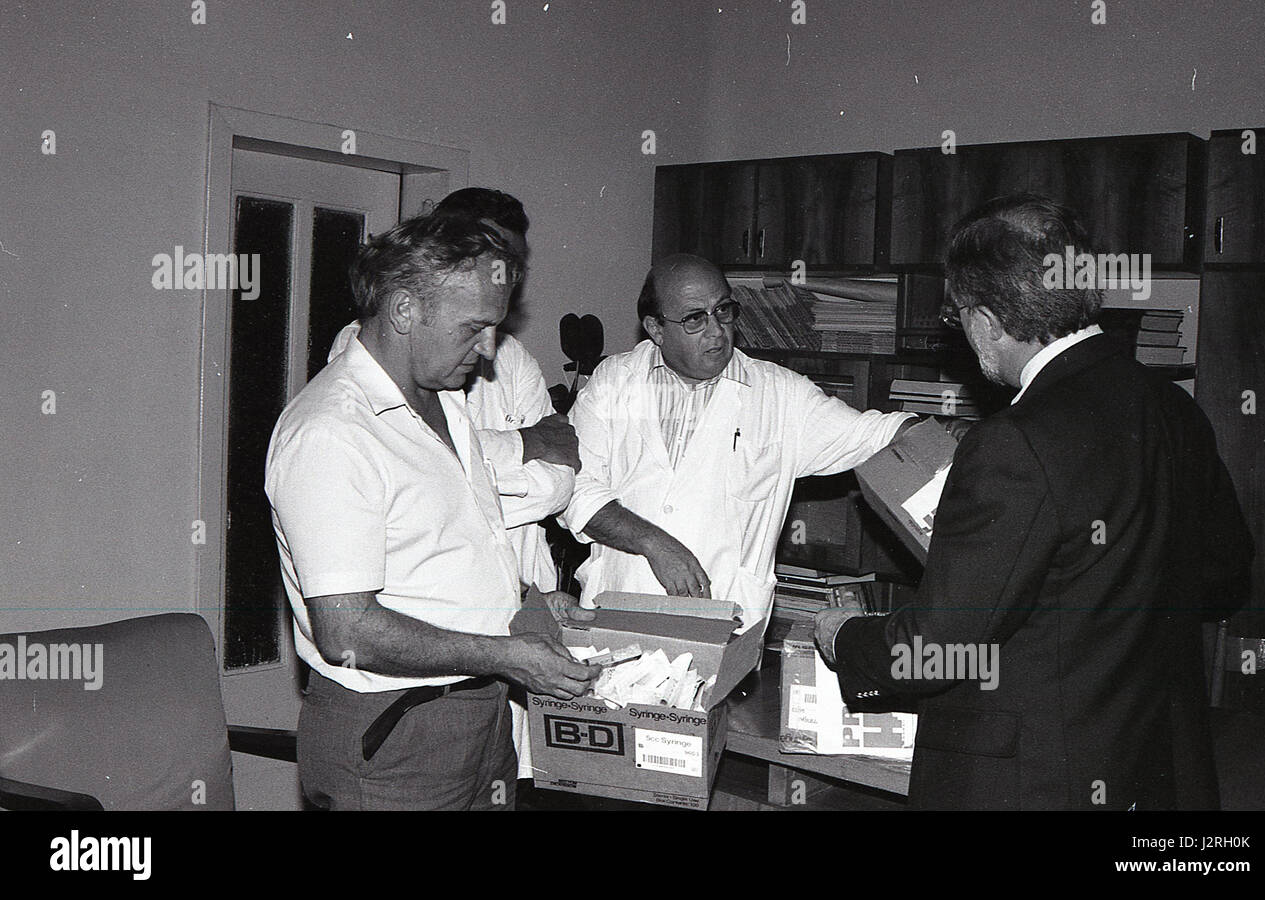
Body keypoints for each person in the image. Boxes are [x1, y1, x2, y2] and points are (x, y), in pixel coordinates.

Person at [815, 194, 1253, 810]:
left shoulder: (1012, 443)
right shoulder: (1175, 409)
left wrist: (843, 636)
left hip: (1035, 777)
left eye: (959, 318)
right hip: (1153, 764)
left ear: (987, 322)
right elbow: (1225, 575)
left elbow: (938, 648)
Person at [265, 212, 597, 810]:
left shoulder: (445, 402)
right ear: (403, 311)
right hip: (396, 732)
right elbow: (347, 631)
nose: (489, 348)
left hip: (481, 716)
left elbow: (440, 554)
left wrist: (526, 600)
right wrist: (506, 654)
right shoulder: (332, 433)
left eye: (494, 327)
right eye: (474, 327)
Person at [327, 188, 568, 783]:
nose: (501, 276)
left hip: (488, 677)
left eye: (510, 264)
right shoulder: (349, 398)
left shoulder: (464, 392)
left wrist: (522, 596)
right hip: (410, 706)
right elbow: (349, 626)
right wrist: (521, 444)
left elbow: (557, 484)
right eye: (485, 259)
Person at [560, 252, 918, 631]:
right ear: (656, 328)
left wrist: (958, 441)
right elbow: (575, 487)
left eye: (723, 311)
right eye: (695, 318)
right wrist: (653, 542)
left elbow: (874, 434)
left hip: (725, 619)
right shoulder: (614, 382)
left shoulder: (780, 394)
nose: (716, 331)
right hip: (618, 607)